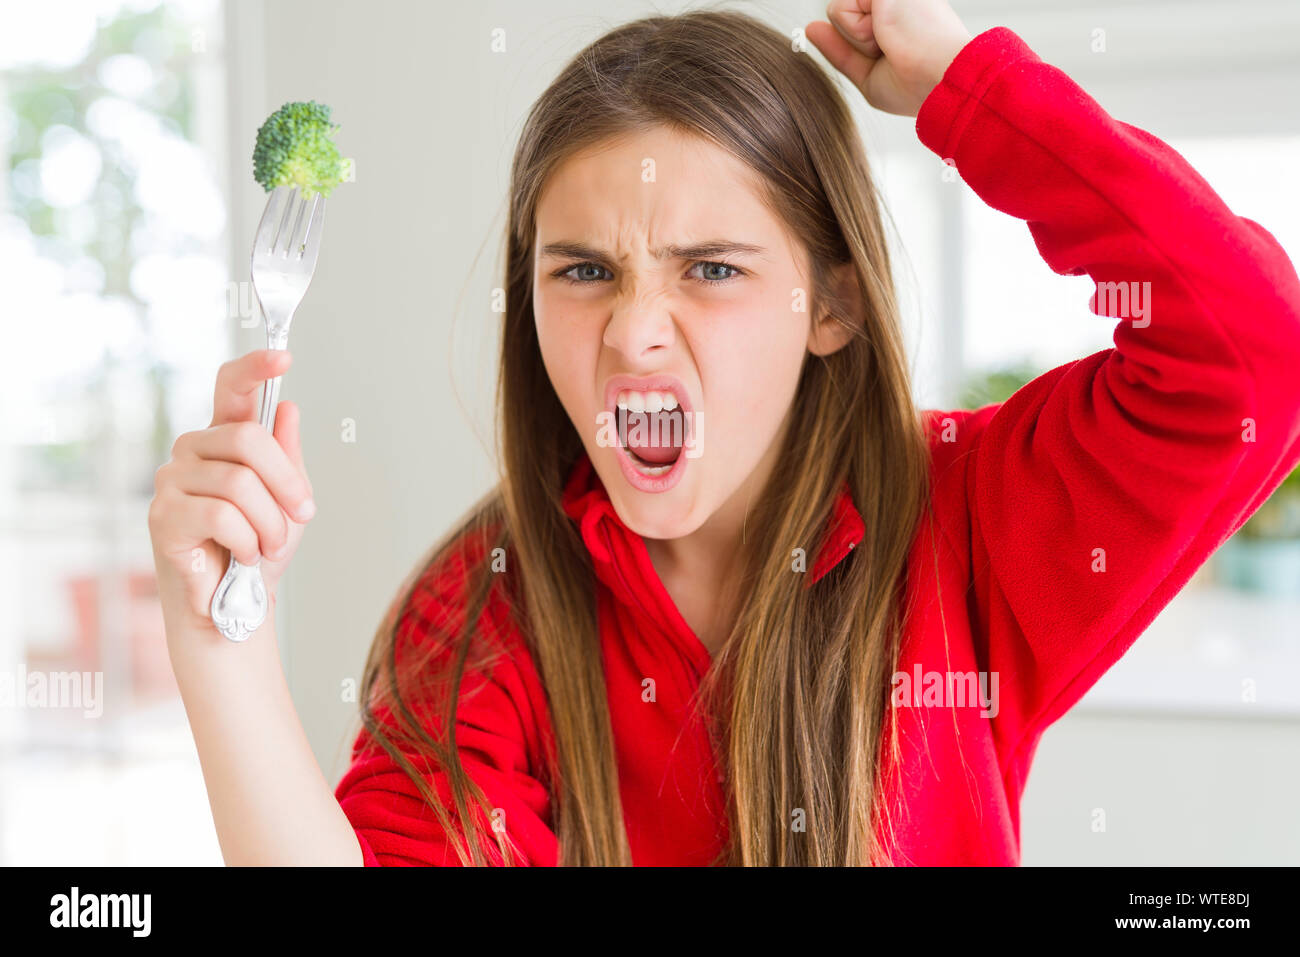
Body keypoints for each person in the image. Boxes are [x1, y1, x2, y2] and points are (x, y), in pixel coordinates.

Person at [147, 1, 1300, 865]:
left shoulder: (968, 515)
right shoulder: (485, 612)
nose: (634, 332)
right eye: (584, 270)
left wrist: (970, 88)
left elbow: (1256, 354)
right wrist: (220, 647)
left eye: (711, 268)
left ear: (833, 305)